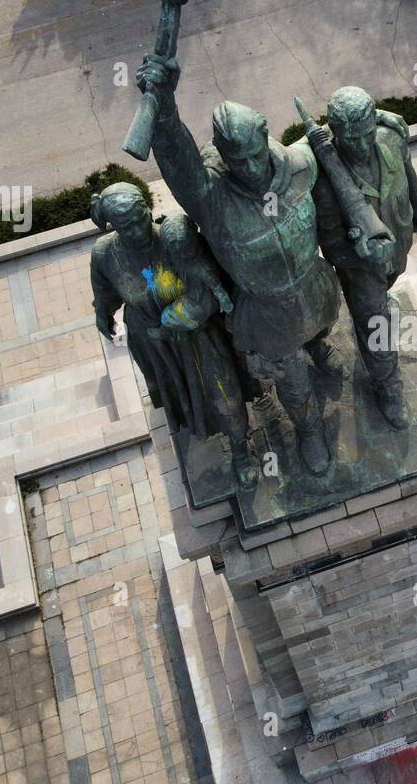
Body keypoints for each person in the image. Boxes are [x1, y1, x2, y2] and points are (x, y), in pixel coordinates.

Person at [137, 56, 342, 475]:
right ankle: (308, 431)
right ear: (224, 157)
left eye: (253, 155)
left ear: (266, 137)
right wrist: (164, 106)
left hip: (314, 285)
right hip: (267, 312)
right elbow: (179, 161)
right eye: (237, 160)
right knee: (292, 381)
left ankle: (318, 344)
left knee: (321, 325)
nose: (249, 168)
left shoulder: (303, 164)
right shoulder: (212, 199)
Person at [88, 183, 260, 488]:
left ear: (148, 210)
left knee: (225, 395)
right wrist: (103, 314)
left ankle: (240, 449)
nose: (138, 232)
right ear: (115, 228)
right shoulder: (105, 254)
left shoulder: (175, 237)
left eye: (141, 220)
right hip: (156, 345)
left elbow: (213, 278)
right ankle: (196, 422)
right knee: (183, 398)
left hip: (199, 337)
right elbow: (106, 294)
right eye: (127, 228)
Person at [308, 86, 417, 428]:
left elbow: (407, 169)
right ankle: (388, 387)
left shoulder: (390, 137)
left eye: (365, 135)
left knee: (387, 294)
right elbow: (330, 243)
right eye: (351, 139)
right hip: (360, 268)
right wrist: (358, 252)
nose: (362, 145)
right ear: (335, 133)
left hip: (398, 242)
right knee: (376, 328)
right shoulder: (325, 179)